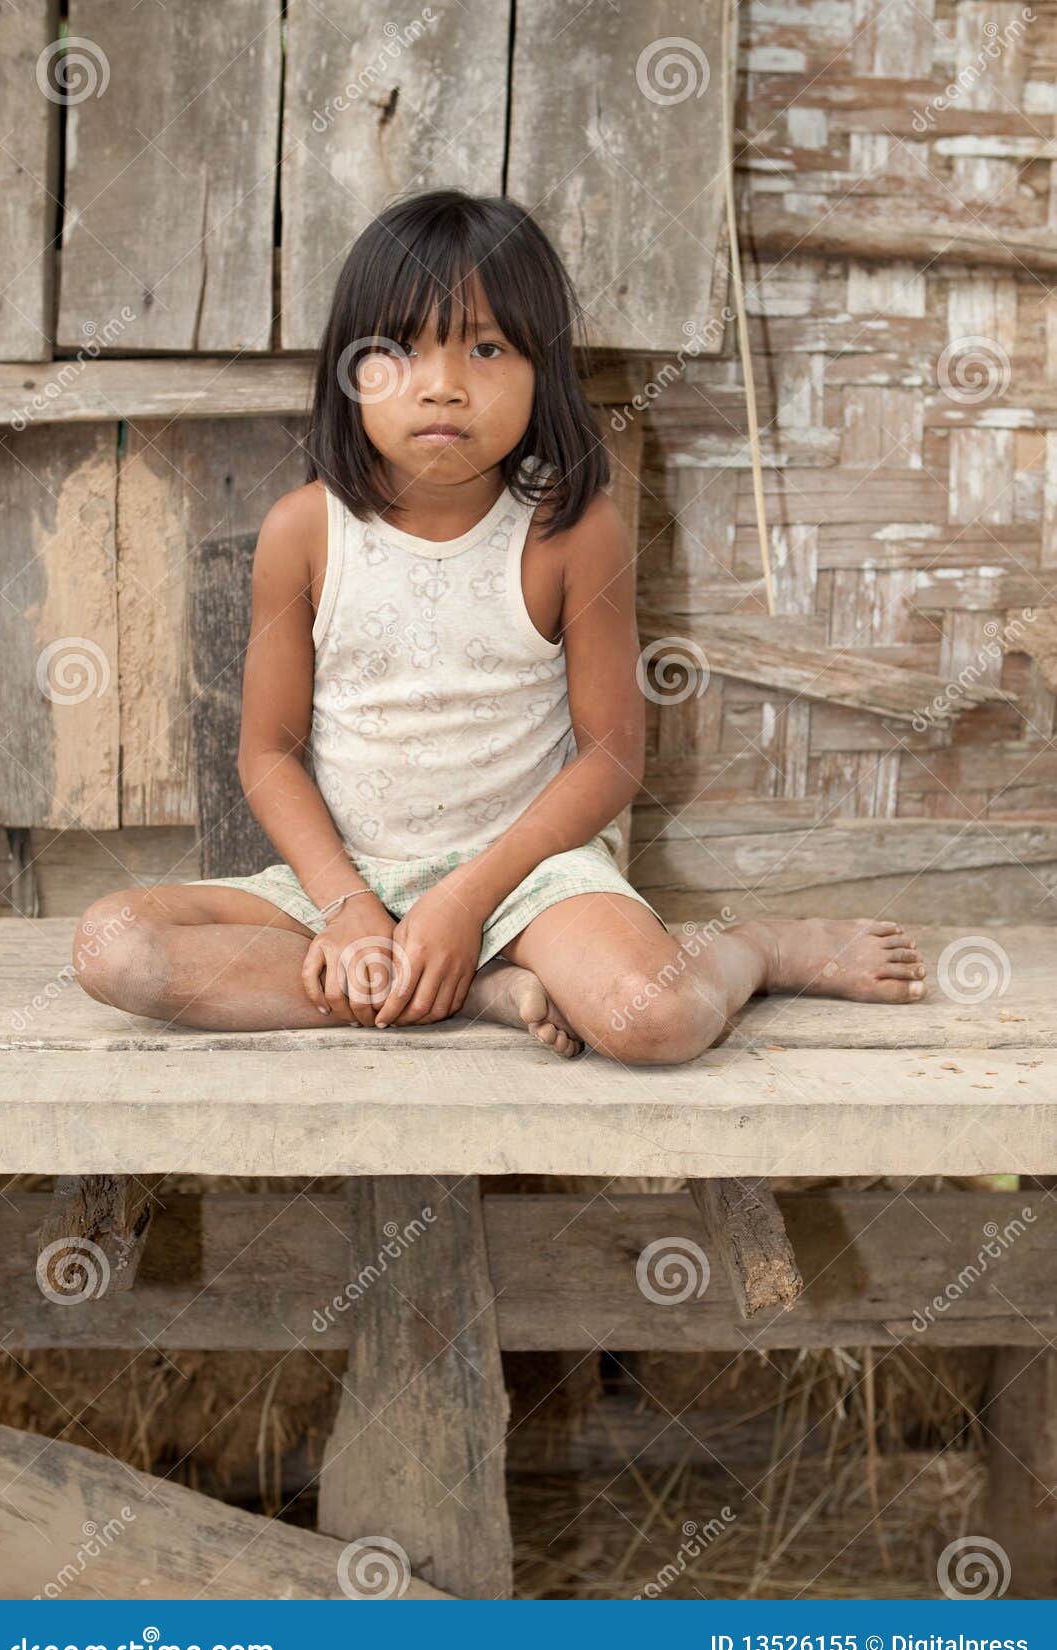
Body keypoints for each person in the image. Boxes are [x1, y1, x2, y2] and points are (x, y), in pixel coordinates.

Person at [75, 189, 926, 1063]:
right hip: (345, 884)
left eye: (486, 348)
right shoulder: (303, 531)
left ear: (540, 372)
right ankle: (471, 994)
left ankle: (756, 948)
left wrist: (464, 902)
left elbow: (609, 758)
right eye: (401, 348)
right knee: (116, 948)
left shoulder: (570, 531)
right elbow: (267, 752)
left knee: (652, 1021)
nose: (443, 384)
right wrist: (346, 909)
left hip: (526, 885)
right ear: (349, 371)